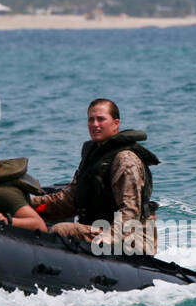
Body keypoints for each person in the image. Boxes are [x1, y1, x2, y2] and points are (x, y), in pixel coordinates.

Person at [30, 98, 159, 254]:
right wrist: (28, 204)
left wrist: (111, 235)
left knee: (61, 230)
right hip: (100, 229)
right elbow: (69, 200)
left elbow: (130, 211)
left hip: (132, 238)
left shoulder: (125, 160)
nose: (95, 124)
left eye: (101, 119)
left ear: (115, 123)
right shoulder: (93, 156)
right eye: (91, 119)